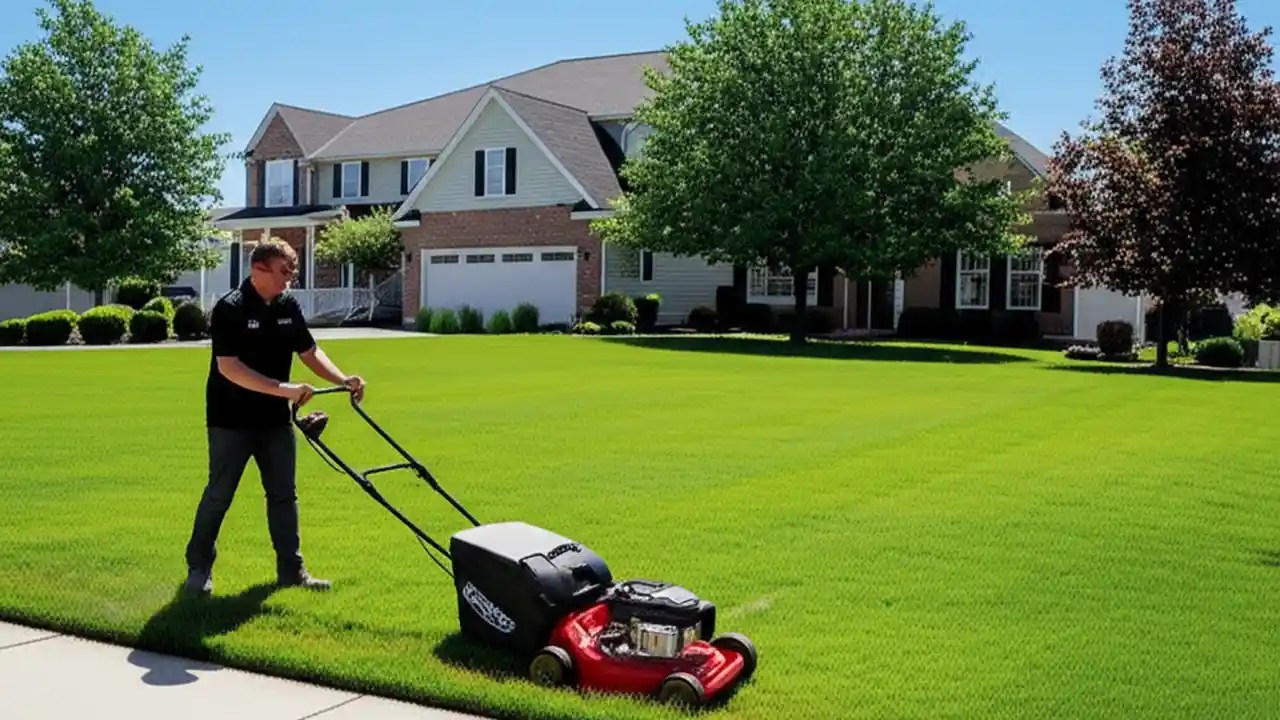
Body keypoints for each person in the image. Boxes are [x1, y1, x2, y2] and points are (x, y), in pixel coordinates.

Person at [183, 238, 366, 596]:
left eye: (293, 270)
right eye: (285, 270)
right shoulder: (230, 308)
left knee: (283, 495)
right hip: (230, 420)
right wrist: (284, 389)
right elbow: (229, 369)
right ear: (259, 269)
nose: (290, 277)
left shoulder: (287, 305)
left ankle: (292, 571)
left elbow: (310, 352)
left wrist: (343, 379)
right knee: (219, 494)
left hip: (274, 423)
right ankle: (199, 567)